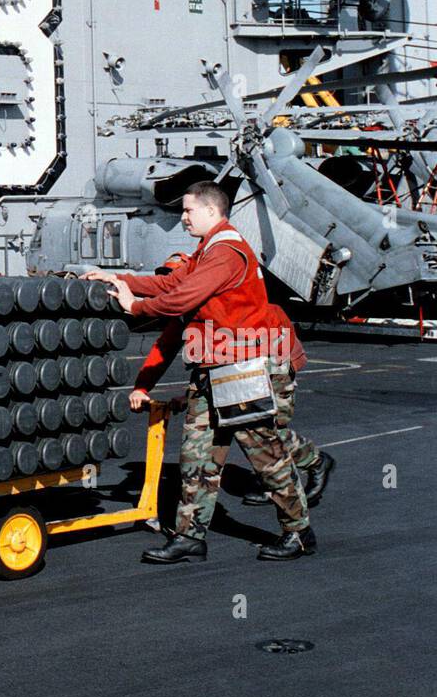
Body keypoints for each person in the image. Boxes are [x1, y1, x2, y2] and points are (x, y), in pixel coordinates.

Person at [86, 181, 317, 563]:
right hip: (213, 370)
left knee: (265, 455)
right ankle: (189, 535)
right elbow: (172, 282)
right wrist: (120, 279)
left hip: (240, 369)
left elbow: (181, 299)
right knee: (196, 458)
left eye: (189, 210)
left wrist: (135, 307)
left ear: (213, 212)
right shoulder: (208, 250)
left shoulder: (225, 252)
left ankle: (299, 532)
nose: (184, 217)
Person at [129, 298, 335, 509]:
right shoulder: (190, 307)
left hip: (271, 364)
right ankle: (275, 483)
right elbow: (167, 346)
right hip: (239, 370)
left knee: (263, 430)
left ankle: (314, 462)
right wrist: (142, 387)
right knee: (250, 429)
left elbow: (249, 358)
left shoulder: (237, 302)